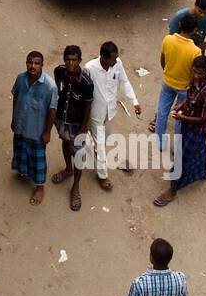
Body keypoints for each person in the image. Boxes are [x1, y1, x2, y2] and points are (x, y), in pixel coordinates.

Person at [153, 57, 206, 207]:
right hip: (187, 123)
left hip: (197, 129)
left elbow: (205, 119)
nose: (195, 76)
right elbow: (190, 97)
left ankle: (173, 190)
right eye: (194, 71)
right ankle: (204, 171)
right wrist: (180, 105)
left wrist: (183, 117)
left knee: (181, 159)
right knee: (199, 150)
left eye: (199, 74)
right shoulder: (194, 80)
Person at [83, 41, 141, 188]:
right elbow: (84, 93)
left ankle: (90, 144)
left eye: (116, 58)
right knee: (101, 145)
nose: (115, 61)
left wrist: (134, 102)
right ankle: (102, 176)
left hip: (110, 111)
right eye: (112, 59)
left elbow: (125, 81)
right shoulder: (90, 68)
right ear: (103, 57)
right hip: (95, 114)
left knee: (105, 138)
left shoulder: (117, 64)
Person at [49, 45, 95, 211]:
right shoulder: (59, 71)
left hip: (77, 124)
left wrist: (84, 127)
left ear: (80, 61)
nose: (70, 63)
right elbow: (57, 91)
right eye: (68, 59)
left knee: (78, 154)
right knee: (65, 142)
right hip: (62, 119)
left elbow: (88, 106)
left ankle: (75, 186)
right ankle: (67, 169)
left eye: (74, 60)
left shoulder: (86, 83)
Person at [10, 51, 57, 207]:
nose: (33, 66)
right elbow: (16, 98)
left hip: (37, 131)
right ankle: (23, 172)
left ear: (42, 65)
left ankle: (39, 188)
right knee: (21, 151)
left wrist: (47, 132)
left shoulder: (50, 86)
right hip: (21, 125)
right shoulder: (20, 78)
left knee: (38, 160)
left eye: (36, 63)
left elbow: (52, 111)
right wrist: (13, 119)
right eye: (30, 62)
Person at [152, 10, 201, 147]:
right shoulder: (195, 51)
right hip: (184, 87)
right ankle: (178, 147)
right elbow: (194, 73)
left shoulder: (168, 40)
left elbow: (163, 60)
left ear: (180, 24)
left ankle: (160, 143)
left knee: (162, 113)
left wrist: (167, 72)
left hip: (167, 81)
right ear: (195, 30)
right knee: (180, 118)